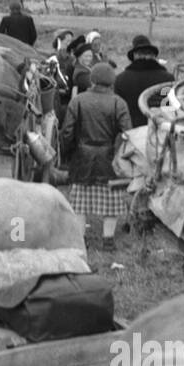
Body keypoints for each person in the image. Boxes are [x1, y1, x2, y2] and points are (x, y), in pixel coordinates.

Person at [61, 63, 132, 251]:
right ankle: (108, 239)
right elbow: (128, 134)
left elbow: (67, 131)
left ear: (92, 80)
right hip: (109, 158)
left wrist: (67, 153)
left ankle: (80, 239)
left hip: (82, 156)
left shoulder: (78, 101)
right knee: (112, 199)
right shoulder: (119, 102)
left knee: (80, 202)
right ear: (112, 81)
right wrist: (121, 155)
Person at [115, 35, 176, 129]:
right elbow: (170, 108)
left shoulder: (120, 80)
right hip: (158, 131)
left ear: (135, 56)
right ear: (153, 56)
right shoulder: (167, 79)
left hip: (130, 132)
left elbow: (117, 112)